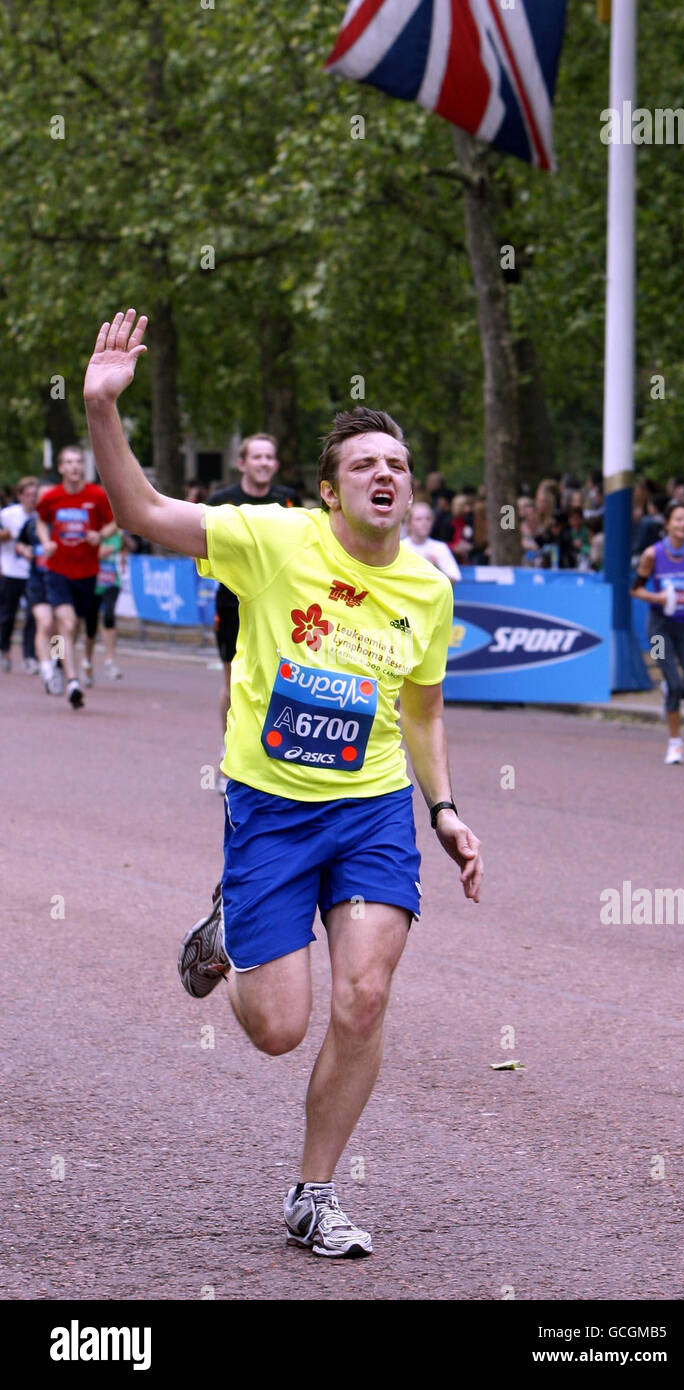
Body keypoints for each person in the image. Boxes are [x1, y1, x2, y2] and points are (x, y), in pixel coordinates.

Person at [84, 308, 484, 1260]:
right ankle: (231, 927)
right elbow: (141, 513)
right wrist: (103, 410)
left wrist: (444, 809)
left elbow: (421, 710)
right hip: (269, 807)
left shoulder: (428, 586)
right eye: (364, 465)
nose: (385, 475)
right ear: (329, 490)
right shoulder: (270, 540)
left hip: (372, 806)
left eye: (397, 464)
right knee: (276, 1027)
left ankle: (315, 1192)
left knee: (365, 999)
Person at [207, 435, 294, 793]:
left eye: (268, 457)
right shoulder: (221, 502)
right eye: (256, 456)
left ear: (274, 464)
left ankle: (274, 757)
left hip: (278, 604)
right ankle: (230, 755)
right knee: (232, 680)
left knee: (279, 679)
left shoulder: (286, 501)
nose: (262, 462)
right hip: (232, 602)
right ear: (242, 463)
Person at [36, 445, 115, 708]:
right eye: (68, 462)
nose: (74, 467)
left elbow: (116, 521)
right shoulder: (51, 497)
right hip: (58, 569)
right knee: (66, 623)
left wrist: (100, 535)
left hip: (87, 571)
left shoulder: (96, 495)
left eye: (78, 462)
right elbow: (40, 520)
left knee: (73, 626)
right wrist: (46, 541)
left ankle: (60, 660)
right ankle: (72, 681)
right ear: (60, 467)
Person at [632, 499, 684, 764]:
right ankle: (675, 744)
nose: (683, 525)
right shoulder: (652, 555)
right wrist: (660, 598)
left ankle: (669, 690)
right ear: (667, 523)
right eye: (678, 519)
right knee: (676, 684)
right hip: (658, 629)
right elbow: (636, 589)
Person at [15, 488, 63, 694]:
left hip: (60, 580)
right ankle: (46, 669)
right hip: (38, 581)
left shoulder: (62, 522)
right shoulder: (32, 523)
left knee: (59, 627)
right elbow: (20, 543)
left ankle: (56, 664)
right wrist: (24, 550)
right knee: (45, 623)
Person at [0, 477, 39, 673]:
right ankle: (5, 651)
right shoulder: (7, 515)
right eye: (28, 495)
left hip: (35, 574)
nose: (32, 499)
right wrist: (6, 535)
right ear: (20, 496)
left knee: (38, 616)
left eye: (35, 495)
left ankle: (32, 657)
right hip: (12, 571)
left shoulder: (42, 515)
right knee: (8, 615)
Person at [82, 529, 125, 684]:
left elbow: (107, 550)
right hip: (79, 582)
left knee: (108, 616)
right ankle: (59, 660)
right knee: (67, 623)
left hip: (110, 581)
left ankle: (110, 661)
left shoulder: (115, 533)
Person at [401, 501, 461, 584]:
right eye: (419, 519)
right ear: (408, 523)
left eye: (428, 519)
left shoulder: (440, 547)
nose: (424, 523)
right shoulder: (399, 547)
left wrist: (436, 569)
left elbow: (453, 580)